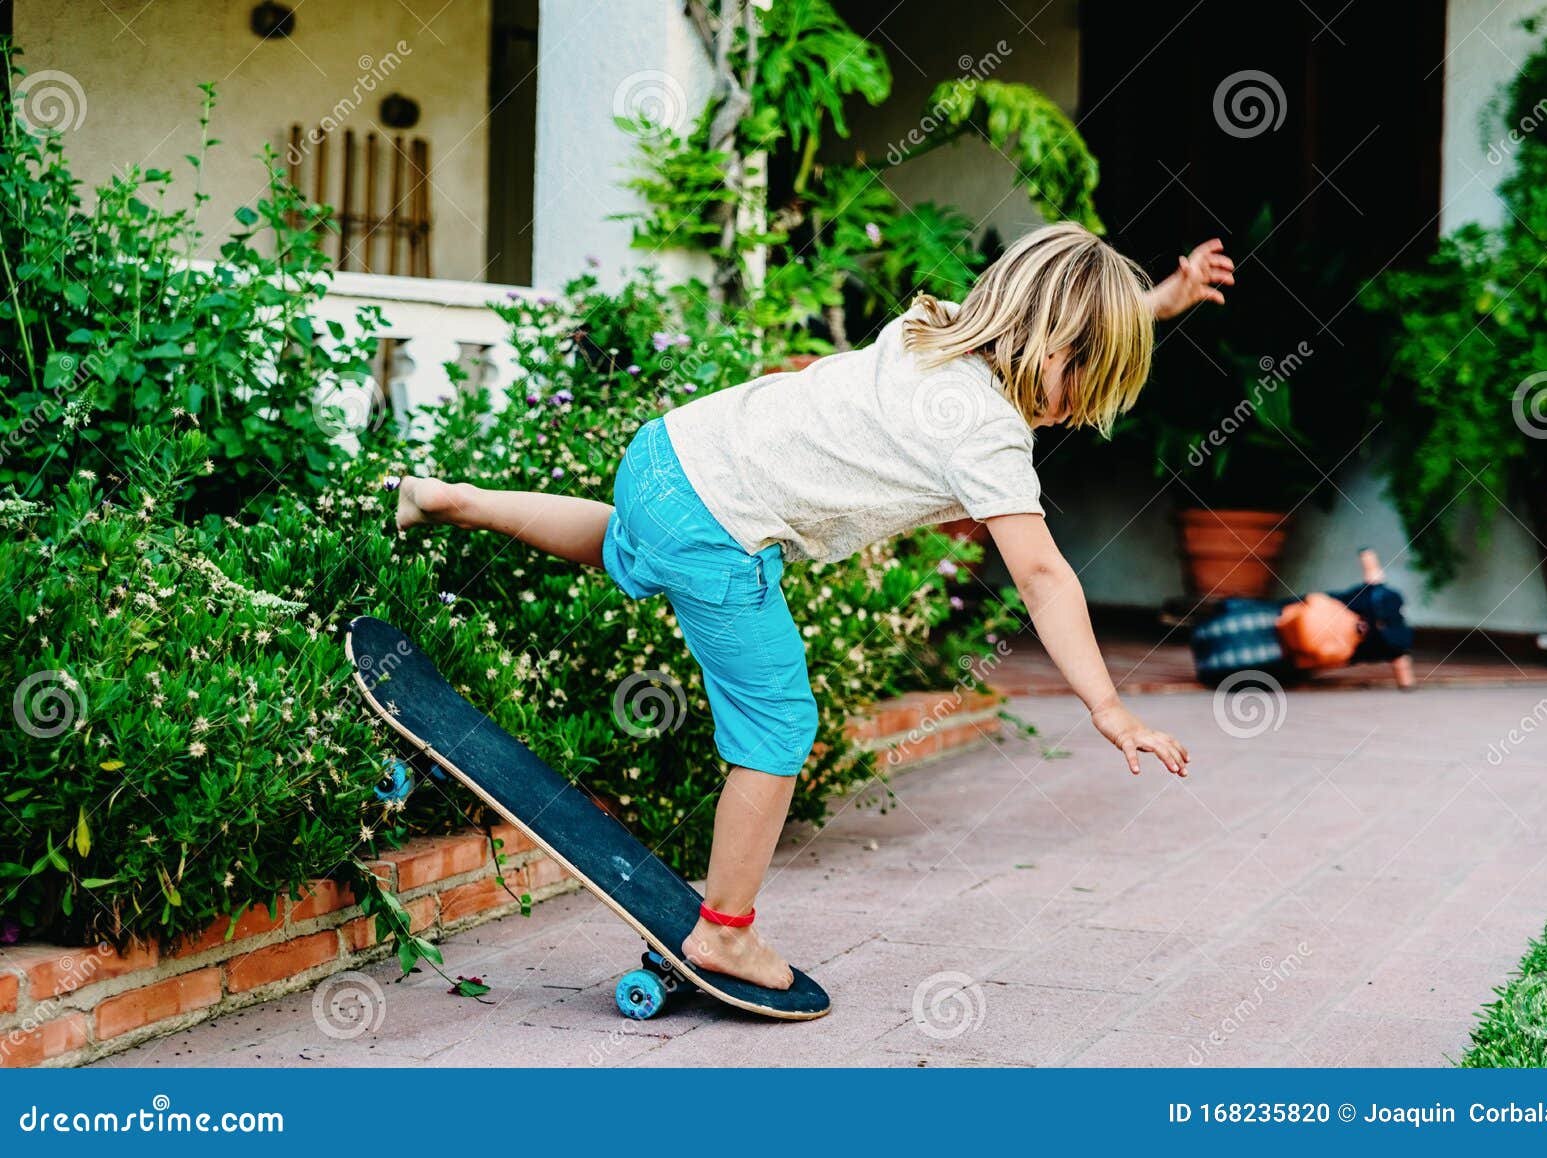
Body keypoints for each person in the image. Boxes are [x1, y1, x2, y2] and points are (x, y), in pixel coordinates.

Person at [395, 222, 1232, 990]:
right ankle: (724, 931)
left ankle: (450, 498)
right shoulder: (986, 432)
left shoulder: (930, 328)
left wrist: (1158, 300)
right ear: (1057, 351)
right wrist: (1110, 707)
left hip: (666, 456)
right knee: (779, 729)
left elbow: (1058, 315)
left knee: (625, 541)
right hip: (716, 531)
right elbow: (1044, 577)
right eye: (1088, 387)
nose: (1080, 414)